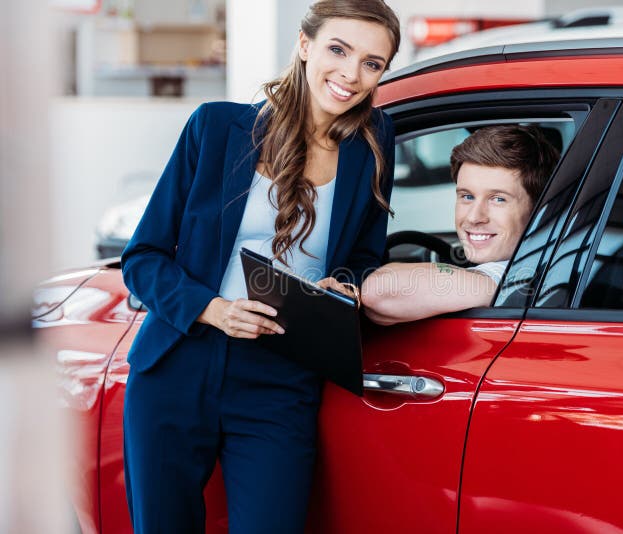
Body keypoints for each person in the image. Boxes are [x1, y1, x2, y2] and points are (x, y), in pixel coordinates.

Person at [120, 1, 400, 532]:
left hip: (281, 378)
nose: (350, 74)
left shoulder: (373, 144)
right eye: (338, 50)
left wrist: (343, 286)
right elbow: (142, 258)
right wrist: (213, 309)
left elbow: (364, 258)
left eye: (372, 63)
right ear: (304, 44)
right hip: (178, 365)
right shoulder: (217, 126)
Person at [362, 124, 559, 325]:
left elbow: (377, 293)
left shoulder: (505, 281)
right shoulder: (549, 262)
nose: (474, 217)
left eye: (498, 199)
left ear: (539, 210)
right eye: (467, 196)